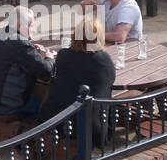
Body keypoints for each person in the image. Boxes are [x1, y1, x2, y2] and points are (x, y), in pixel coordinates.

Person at [35, 14, 115, 148]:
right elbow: (109, 83)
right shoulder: (104, 60)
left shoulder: (63, 55)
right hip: (90, 127)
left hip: (56, 121)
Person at [0, 5, 55, 117]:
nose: (34, 29)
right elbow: (46, 72)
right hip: (1, 106)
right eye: (31, 26)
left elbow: (10, 54)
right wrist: (49, 57)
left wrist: (30, 48)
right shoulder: (21, 44)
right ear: (19, 25)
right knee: (48, 105)